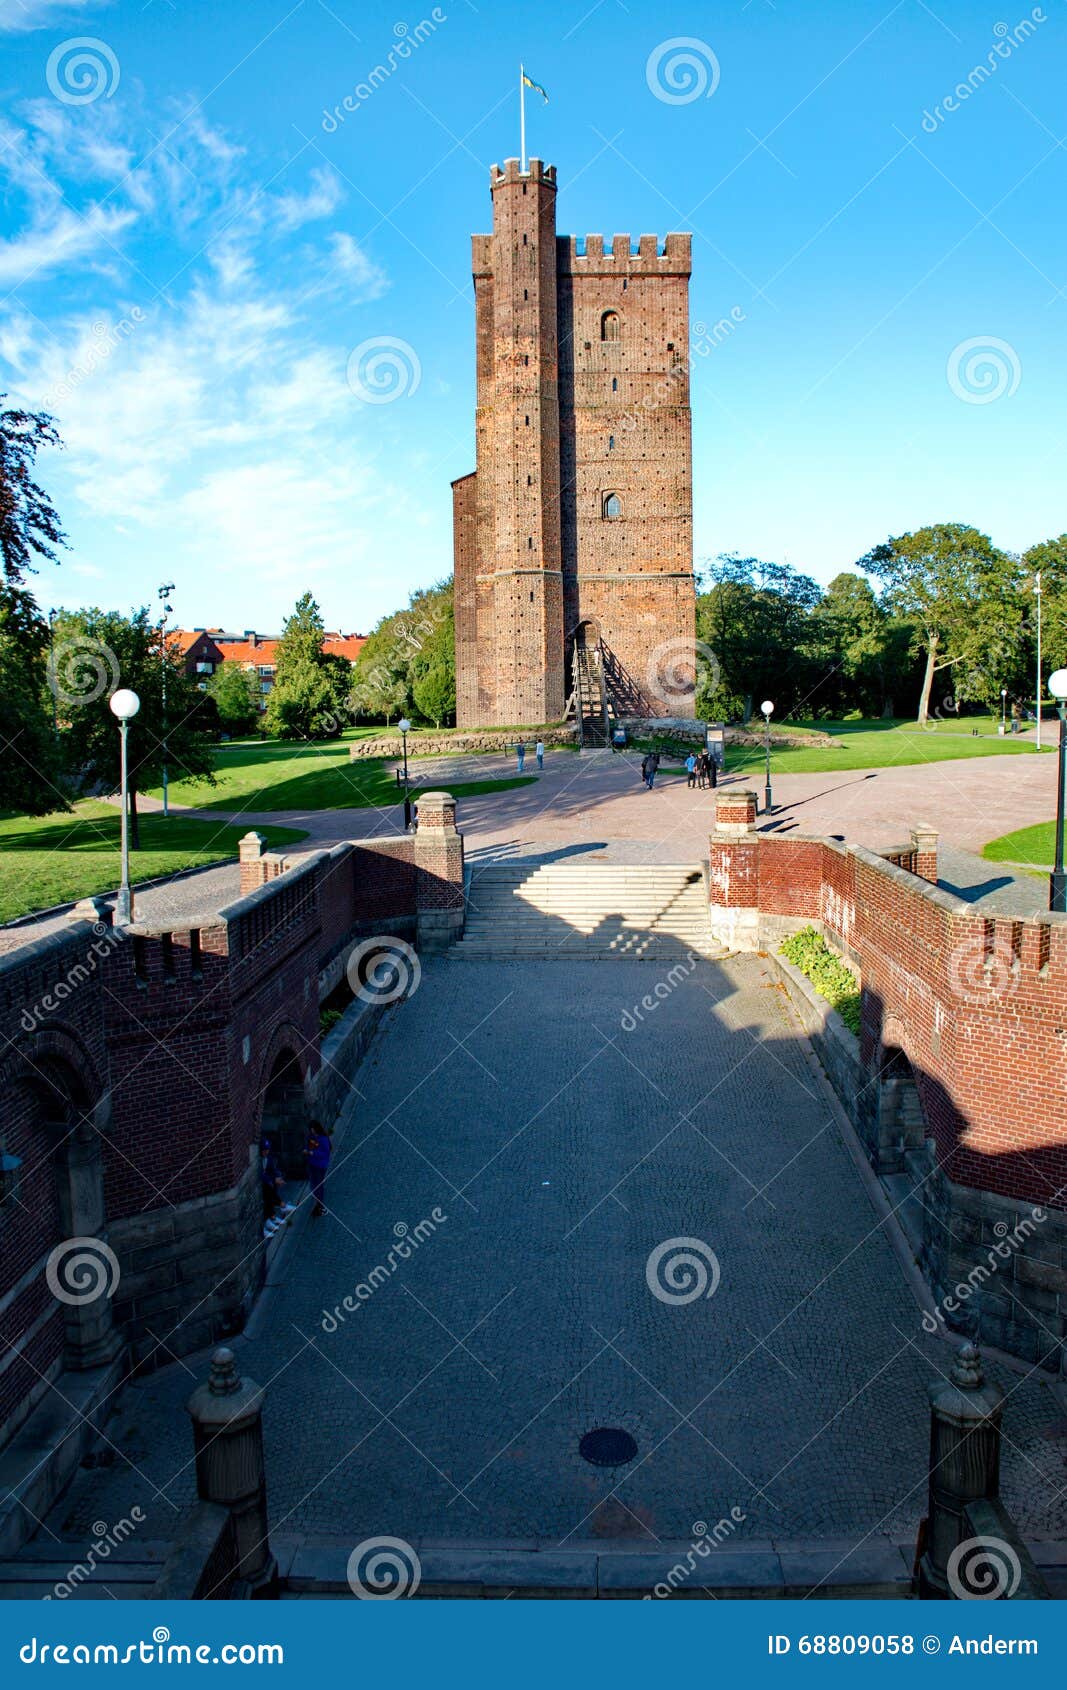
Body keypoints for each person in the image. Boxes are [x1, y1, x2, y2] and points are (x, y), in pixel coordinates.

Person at [261, 1135, 292, 1239]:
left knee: (272, 1187)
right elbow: (259, 1174)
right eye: (264, 1150)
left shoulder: (268, 1158)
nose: (266, 1152)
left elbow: (273, 1169)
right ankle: (280, 1205)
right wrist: (273, 1179)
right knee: (269, 1189)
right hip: (263, 1185)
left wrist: (278, 1177)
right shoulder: (258, 1159)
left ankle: (273, 1216)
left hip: (268, 1183)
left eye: (267, 1150)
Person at [306, 1119, 332, 1218]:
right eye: (310, 1130)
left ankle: (320, 1205)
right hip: (312, 1164)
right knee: (314, 1184)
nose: (311, 1131)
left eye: (312, 1129)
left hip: (320, 1165)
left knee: (318, 1185)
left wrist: (313, 1153)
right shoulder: (311, 1137)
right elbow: (309, 1145)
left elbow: (325, 1153)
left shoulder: (323, 1139)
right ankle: (318, 1204)